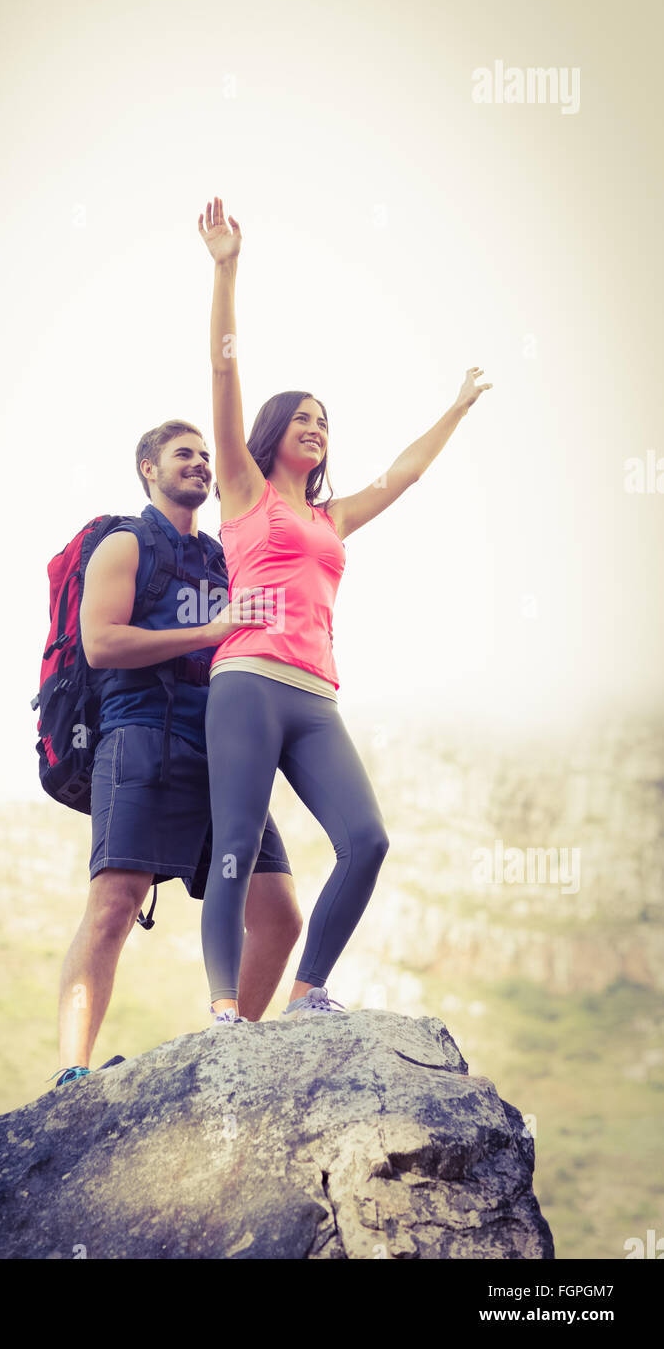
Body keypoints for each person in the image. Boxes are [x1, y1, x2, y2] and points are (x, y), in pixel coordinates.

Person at [197, 196, 493, 1023]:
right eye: (303, 419)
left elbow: (402, 476)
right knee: (234, 850)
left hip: (316, 697)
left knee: (367, 840)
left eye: (325, 421)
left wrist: (457, 407)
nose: (318, 429)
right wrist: (227, 271)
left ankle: (306, 994)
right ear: (272, 434)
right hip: (248, 682)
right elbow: (223, 375)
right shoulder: (245, 489)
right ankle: (224, 1010)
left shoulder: (332, 517)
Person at [51, 420, 303, 1085]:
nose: (198, 464)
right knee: (115, 900)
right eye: (182, 454)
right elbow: (101, 643)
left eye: (203, 456)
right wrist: (213, 628)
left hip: (224, 749)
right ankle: (72, 1074)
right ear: (147, 468)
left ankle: (223, 1058)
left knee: (278, 915)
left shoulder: (222, 556)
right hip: (141, 733)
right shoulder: (125, 543)